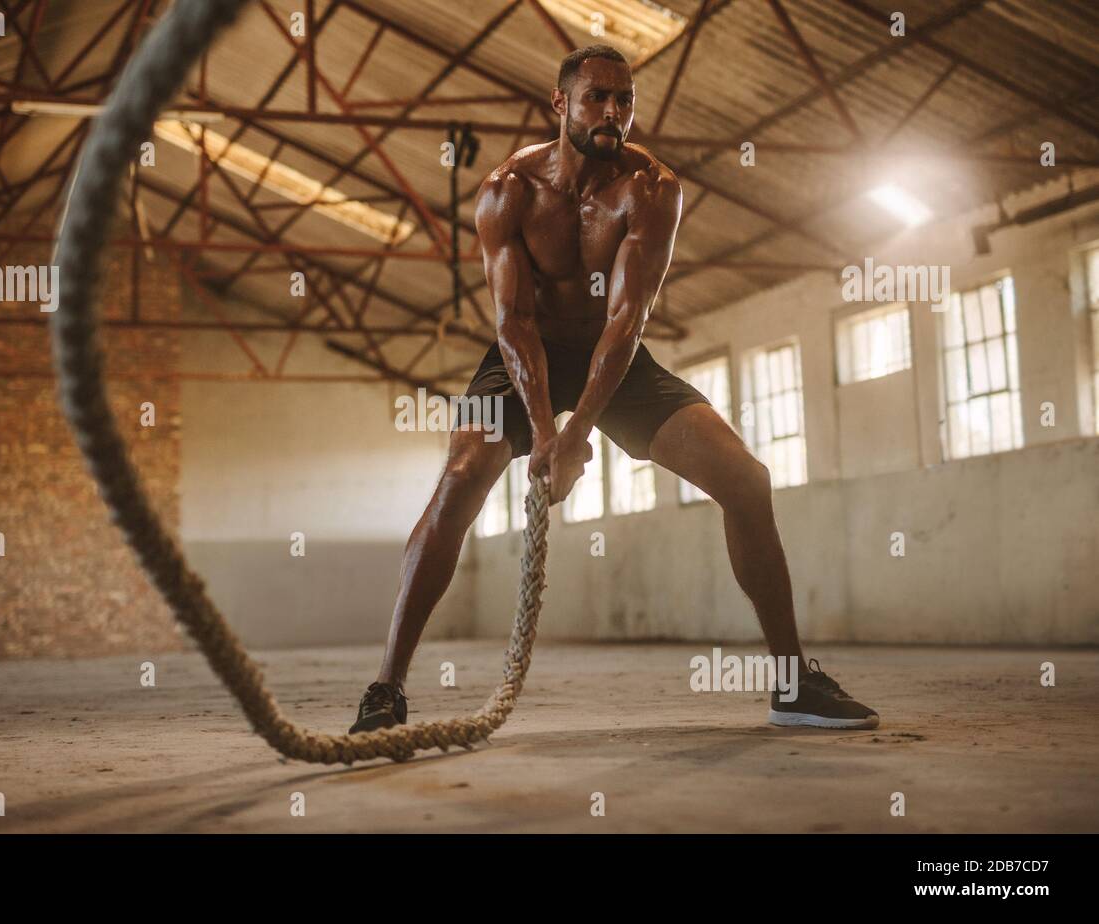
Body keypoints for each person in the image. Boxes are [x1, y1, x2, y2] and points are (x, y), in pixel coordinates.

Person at [349, 45, 878, 734]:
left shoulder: (652, 189)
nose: (612, 112)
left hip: (611, 355)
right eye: (597, 97)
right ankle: (386, 688)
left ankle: (791, 683)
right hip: (522, 357)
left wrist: (577, 433)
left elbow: (627, 321)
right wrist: (544, 431)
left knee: (746, 480)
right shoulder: (506, 189)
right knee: (459, 479)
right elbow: (513, 322)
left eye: (623, 99)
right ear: (559, 104)